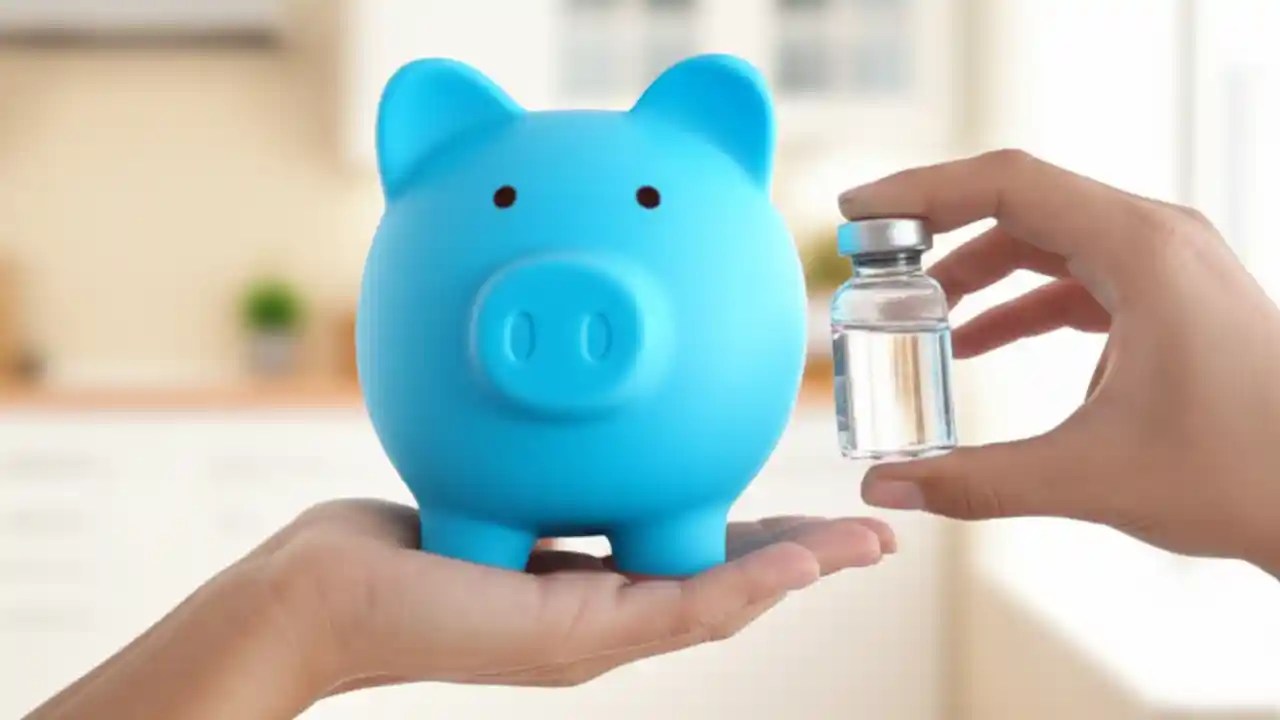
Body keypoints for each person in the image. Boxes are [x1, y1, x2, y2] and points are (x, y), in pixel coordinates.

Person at [27, 150, 1280, 719]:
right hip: (463, 491)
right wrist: (299, 612)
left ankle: (652, 529)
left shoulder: (791, 257)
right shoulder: (431, 199)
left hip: (647, 488)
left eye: (649, 200)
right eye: (498, 199)